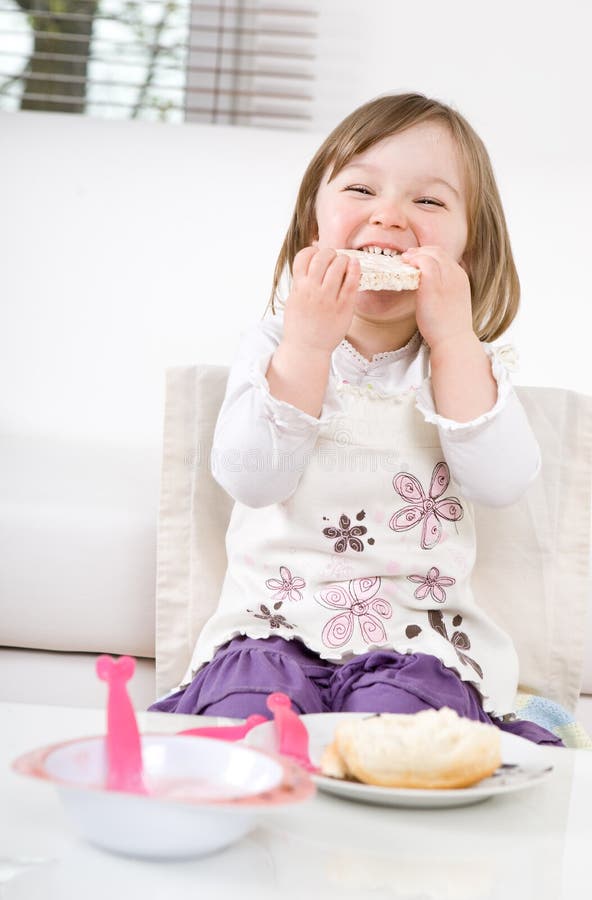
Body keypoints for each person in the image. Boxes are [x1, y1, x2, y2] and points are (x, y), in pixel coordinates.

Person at [151, 92, 561, 745]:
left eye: (428, 202)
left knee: (409, 725)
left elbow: (502, 482)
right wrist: (309, 347)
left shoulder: (463, 364)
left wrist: (455, 340)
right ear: (312, 231)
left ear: (470, 256)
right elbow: (253, 479)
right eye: (361, 189)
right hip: (269, 629)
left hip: (416, 642)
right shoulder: (273, 347)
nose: (390, 217)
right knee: (243, 716)